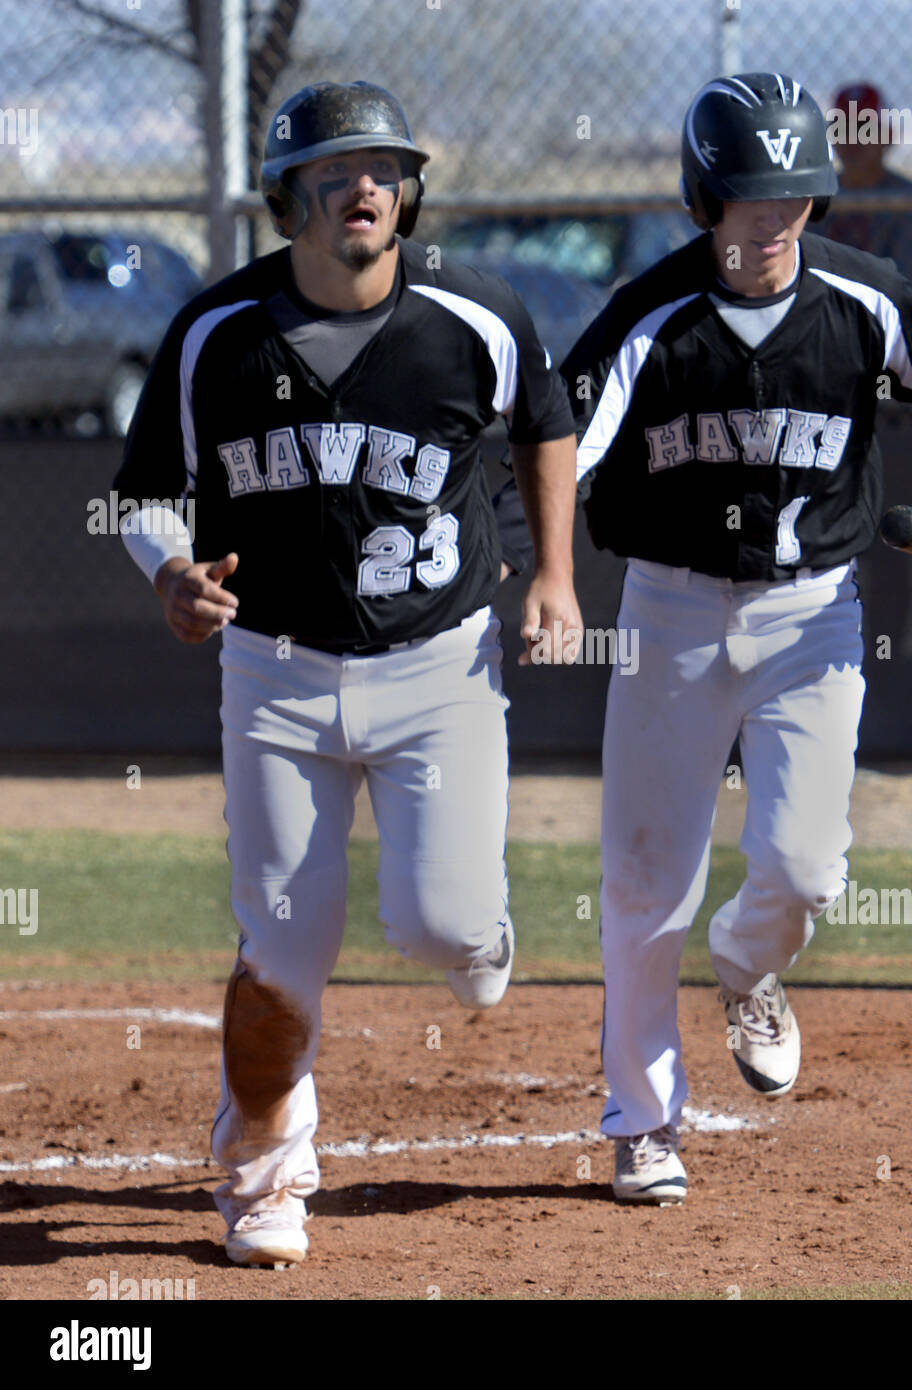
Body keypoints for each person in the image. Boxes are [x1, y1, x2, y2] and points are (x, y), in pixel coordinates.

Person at [114, 81, 581, 1265]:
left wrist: (554, 578)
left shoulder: (472, 314)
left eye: (384, 166)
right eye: (337, 169)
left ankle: (478, 931)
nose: (367, 185)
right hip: (272, 673)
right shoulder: (216, 334)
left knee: (442, 925)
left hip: (439, 665)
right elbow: (138, 492)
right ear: (288, 198)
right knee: (280, 949)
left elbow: (544, 423)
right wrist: (169, 570)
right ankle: (265, 1176)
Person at [561, 72, 912, 1204]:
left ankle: (748, 964)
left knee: (806, 868)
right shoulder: (647, 315)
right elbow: (558, 443)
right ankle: (641, 1123)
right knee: (644, 879)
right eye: (748, 195)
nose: (773, 219)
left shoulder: (863, 296)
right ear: (701, 196)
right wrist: (545, 575)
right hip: (668, 611)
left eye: (795, 194)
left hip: (814, 613)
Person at [820, 81, 912, 305]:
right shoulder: (815, 199)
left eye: (865, 128)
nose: (853, 138)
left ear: (887, 136)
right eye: (842, 128)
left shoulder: (911, 203)